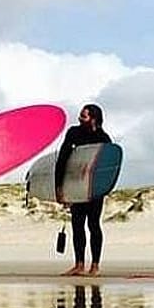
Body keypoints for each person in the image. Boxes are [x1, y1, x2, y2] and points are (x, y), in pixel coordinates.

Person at [56, 104, 113, 276]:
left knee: (93, 224)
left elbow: (108, 167)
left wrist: (104, 188)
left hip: (94, 189)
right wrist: (60, 187)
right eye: (80, 115)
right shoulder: (74, 133)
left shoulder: (104, 139)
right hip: (76, 186)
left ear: (93, 118)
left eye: (84, 116)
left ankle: (95, 265)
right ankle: (79, 264)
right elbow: (63, 159)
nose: (80, 119)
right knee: (77, 225)